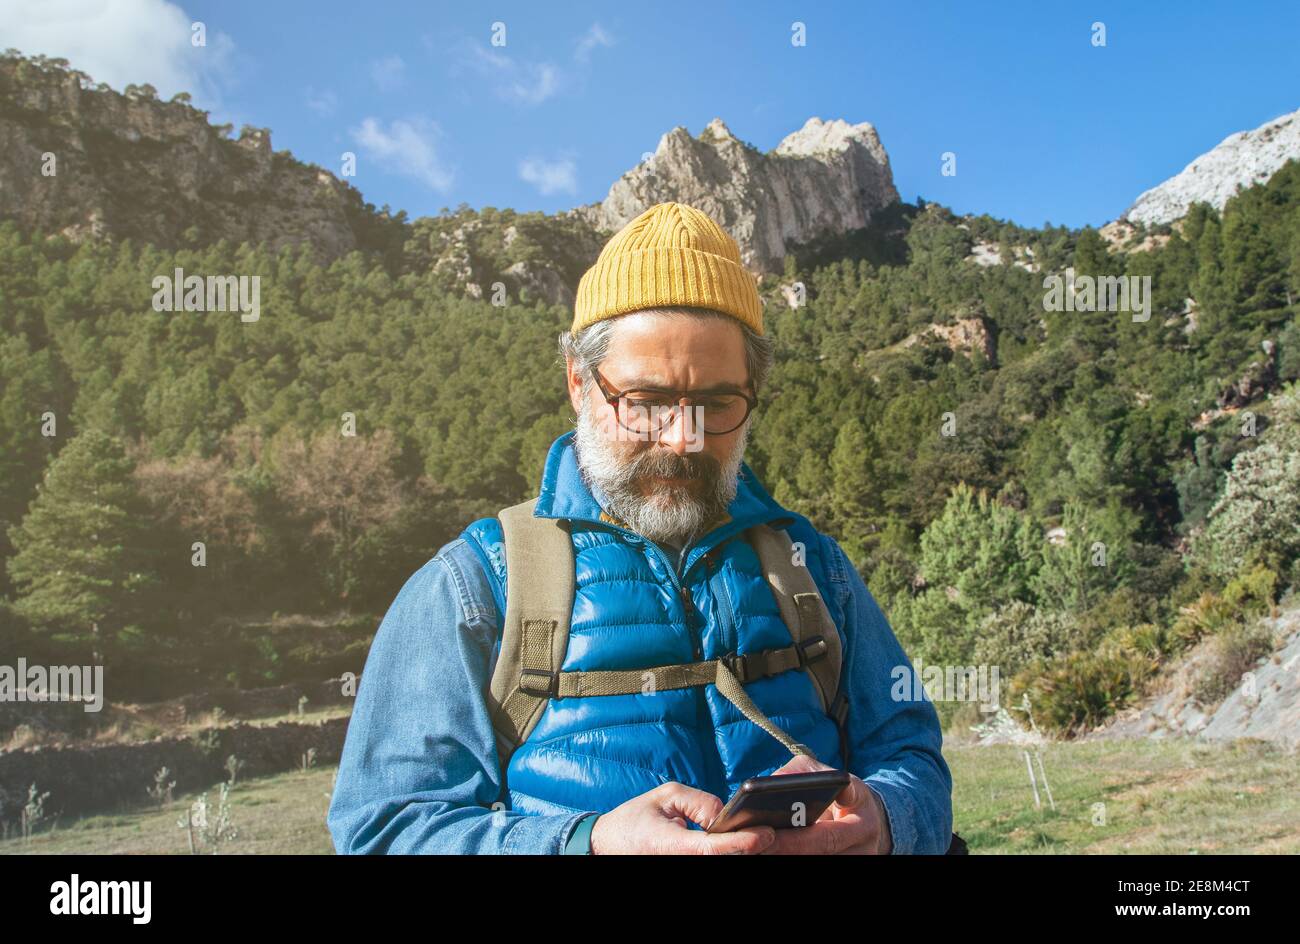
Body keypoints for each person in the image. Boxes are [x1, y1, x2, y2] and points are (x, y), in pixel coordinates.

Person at [328, 202, 953, 854]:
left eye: (717, 403)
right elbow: (384, 828)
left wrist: (887, 818)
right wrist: (586, 844)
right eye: (647, 401)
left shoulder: (814, 565)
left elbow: (909, 751)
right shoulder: (475, 585)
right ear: (578, 382)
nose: (683, 440)